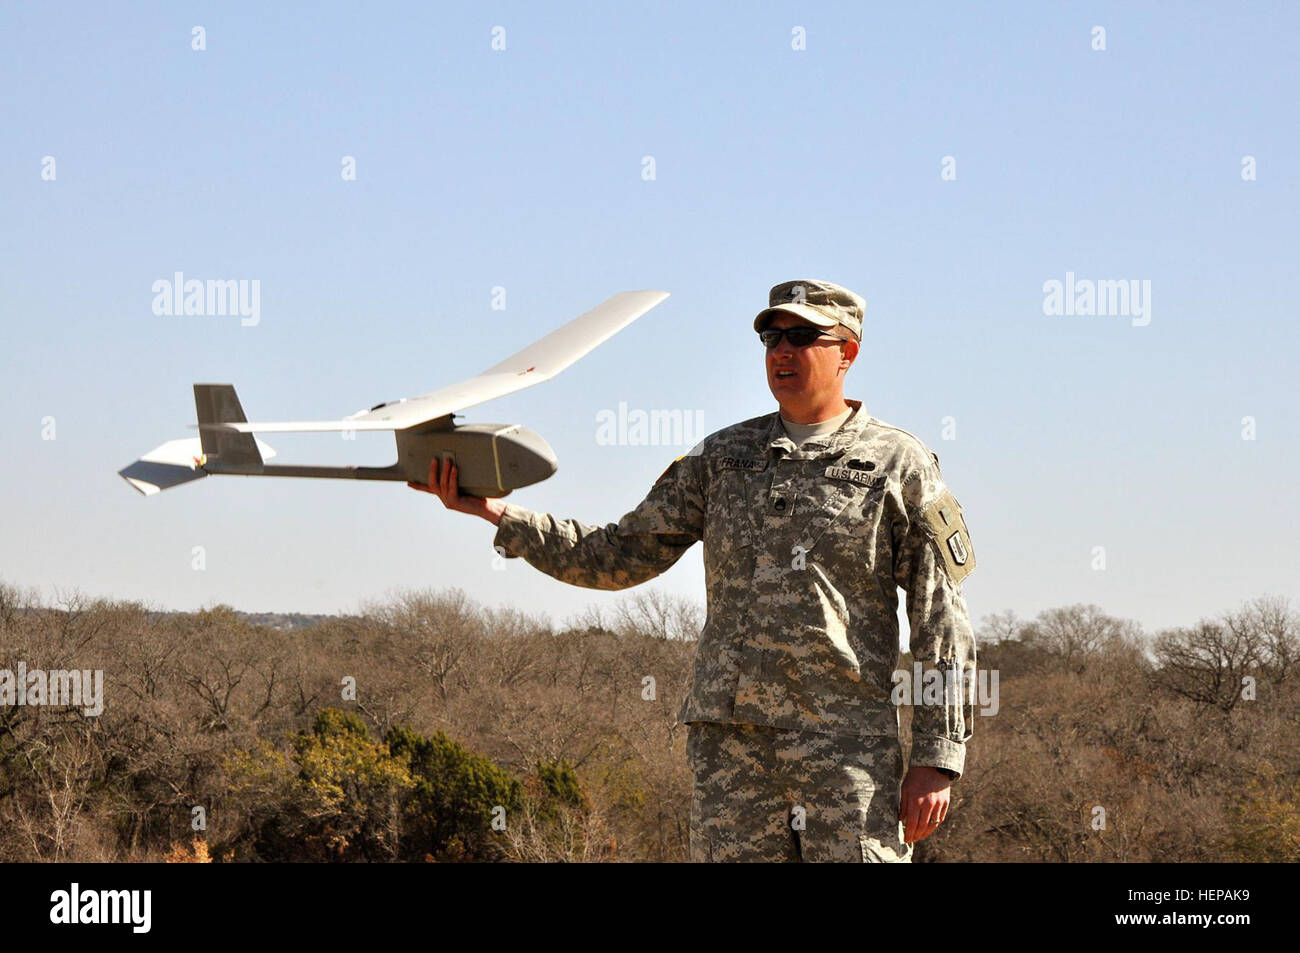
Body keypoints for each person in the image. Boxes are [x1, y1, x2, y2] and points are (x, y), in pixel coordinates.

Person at [409, 279, 978, 862]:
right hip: (729, 755)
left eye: (803, 336)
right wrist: (496, 513)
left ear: (848, 352)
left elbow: (942, 619)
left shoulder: (897, 464)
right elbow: (617, 555)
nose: (782, 351)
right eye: (771, 337)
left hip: (845, 752)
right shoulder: (722, 458)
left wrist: (938, 755)